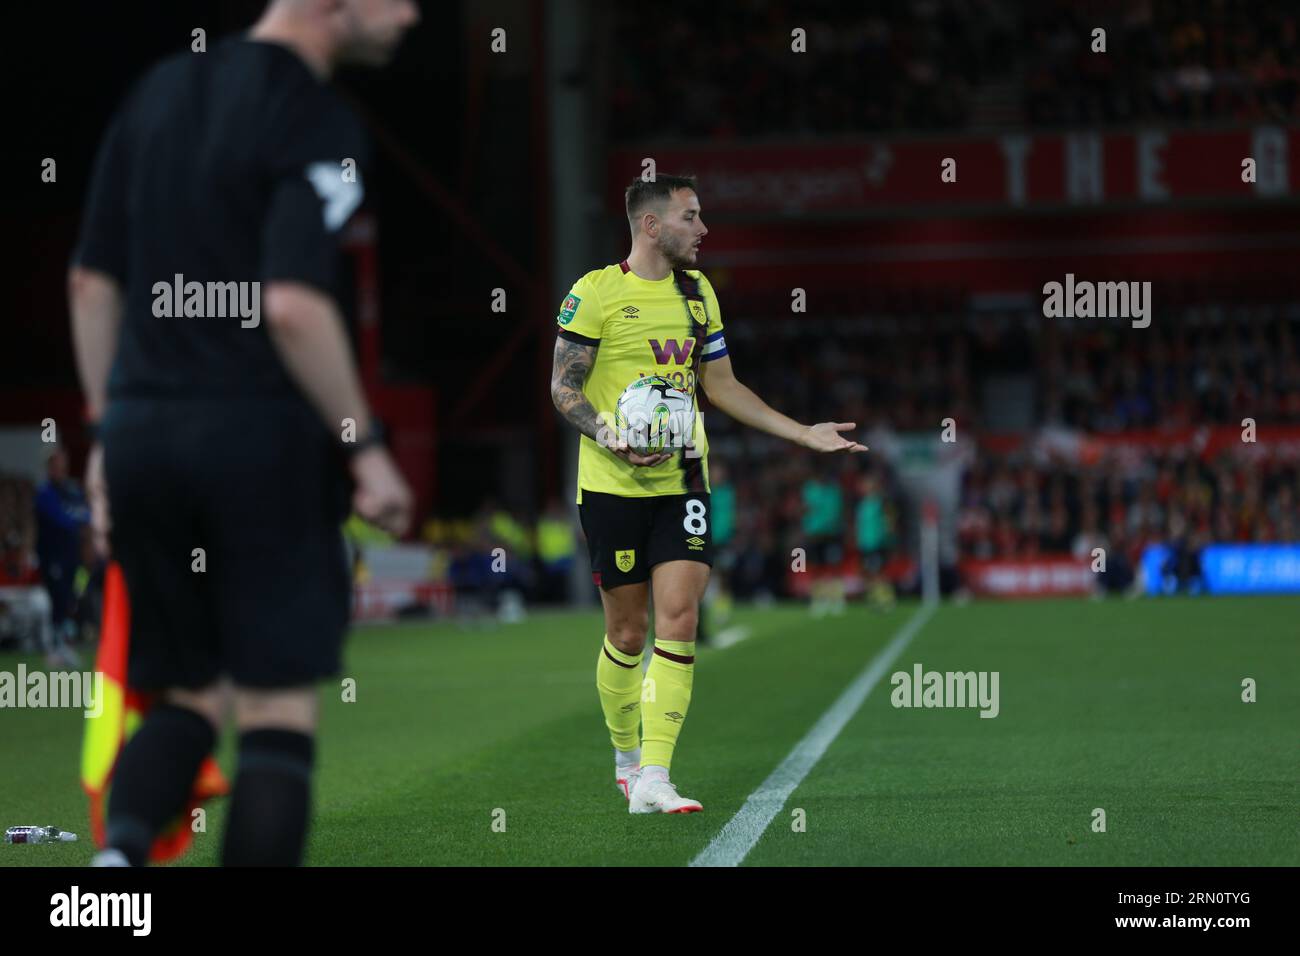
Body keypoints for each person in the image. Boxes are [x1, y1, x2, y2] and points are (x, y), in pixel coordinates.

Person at [69, 0, 419, 867]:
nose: (412, 15)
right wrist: (366, 446)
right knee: (274, 713)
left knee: (188, 695)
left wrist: (108, 436)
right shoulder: (316, 115)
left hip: (146, 432)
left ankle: (114, 872)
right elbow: (292, 303)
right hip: (258, 439)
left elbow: (90, 284)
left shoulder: (156, 91)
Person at [549, 174, 867, 814]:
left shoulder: (698, 295)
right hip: (611, 484)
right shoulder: (595, 293)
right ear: (651, 225)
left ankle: (657, 776)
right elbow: (564, 388)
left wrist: (803, 433)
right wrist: (611, 436)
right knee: (628, 634)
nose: (703, 229)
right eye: (690, 217)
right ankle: (626, 757)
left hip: (685, 478)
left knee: (681, 619)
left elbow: (721, 387)